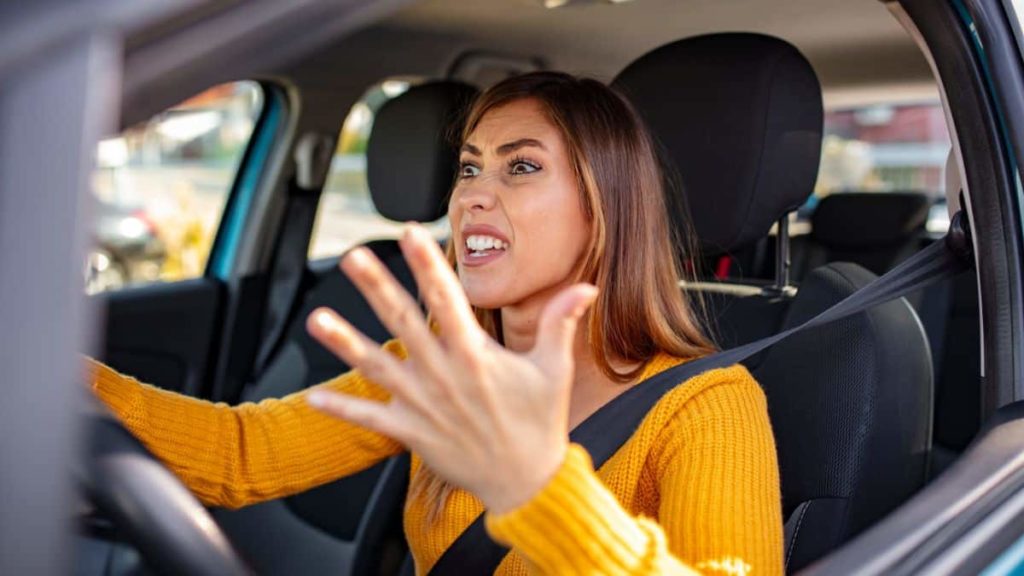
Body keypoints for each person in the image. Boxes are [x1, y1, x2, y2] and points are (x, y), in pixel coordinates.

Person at [87, 71, 783, 575]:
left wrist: (538, 490)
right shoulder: (438, 370)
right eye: (471, 168)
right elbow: (240, 456)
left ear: (607, 209)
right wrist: (47, 371)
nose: (475, 194)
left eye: (522, 168)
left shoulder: (707, 409)